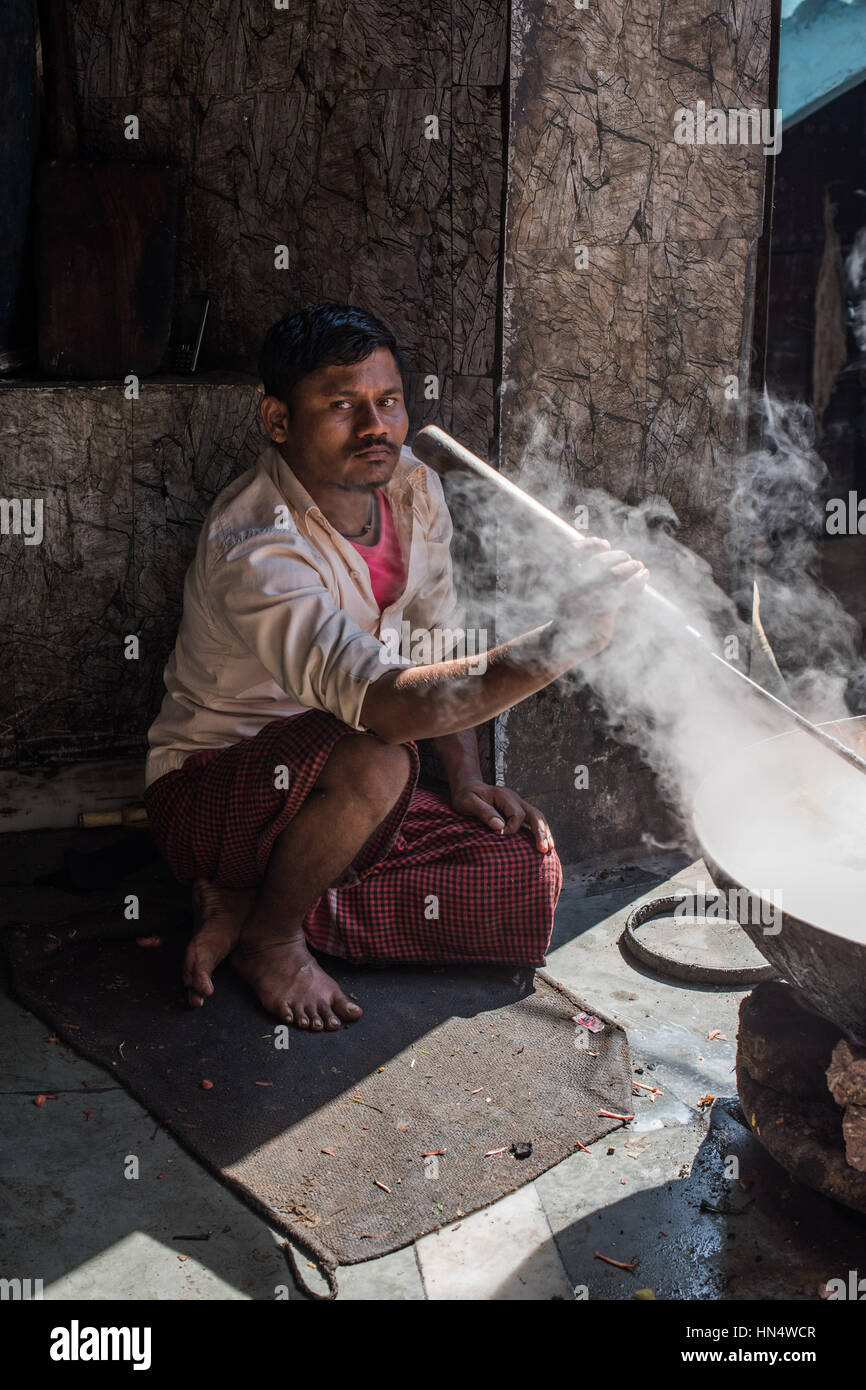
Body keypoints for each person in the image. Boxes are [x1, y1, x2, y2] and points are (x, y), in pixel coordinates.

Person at [143, 303, 648, 1032]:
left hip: (339, 788)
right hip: (219, 790)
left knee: (526, 881)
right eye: (342, 406)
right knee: (381, 759)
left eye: (388, 402)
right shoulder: (256, 545)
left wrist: (467, 779)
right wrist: (560, 641)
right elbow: (386, 706)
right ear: (278, 421)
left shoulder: (412, 489)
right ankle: (272, 939)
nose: (375, 426)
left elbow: (434, 638)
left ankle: (250, 897)